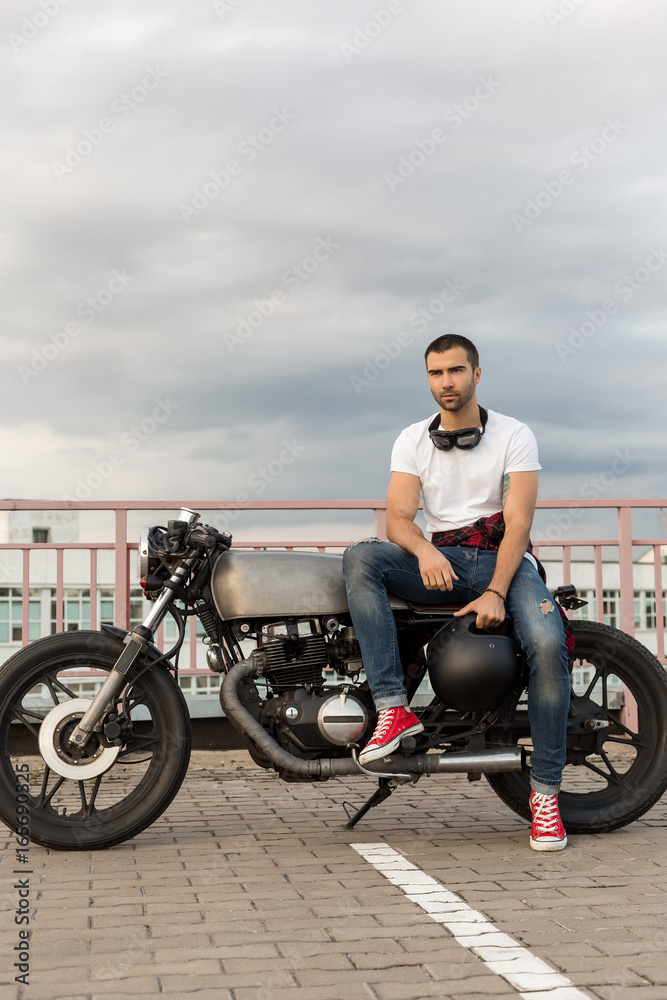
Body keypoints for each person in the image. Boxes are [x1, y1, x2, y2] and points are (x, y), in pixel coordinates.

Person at [342, 334, 571, 851]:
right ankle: (392, 709)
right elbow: (399, 519)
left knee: (549, 645)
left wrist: (495, 590)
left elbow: (518, 524)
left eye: (456, 371)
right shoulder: (411, 439)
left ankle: (546, 796)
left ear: (477, 374)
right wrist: (424, 552)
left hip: (503, 562)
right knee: (361, 557)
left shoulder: (515, 434)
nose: (446, 382)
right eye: (435, 373)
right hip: (441, 559)